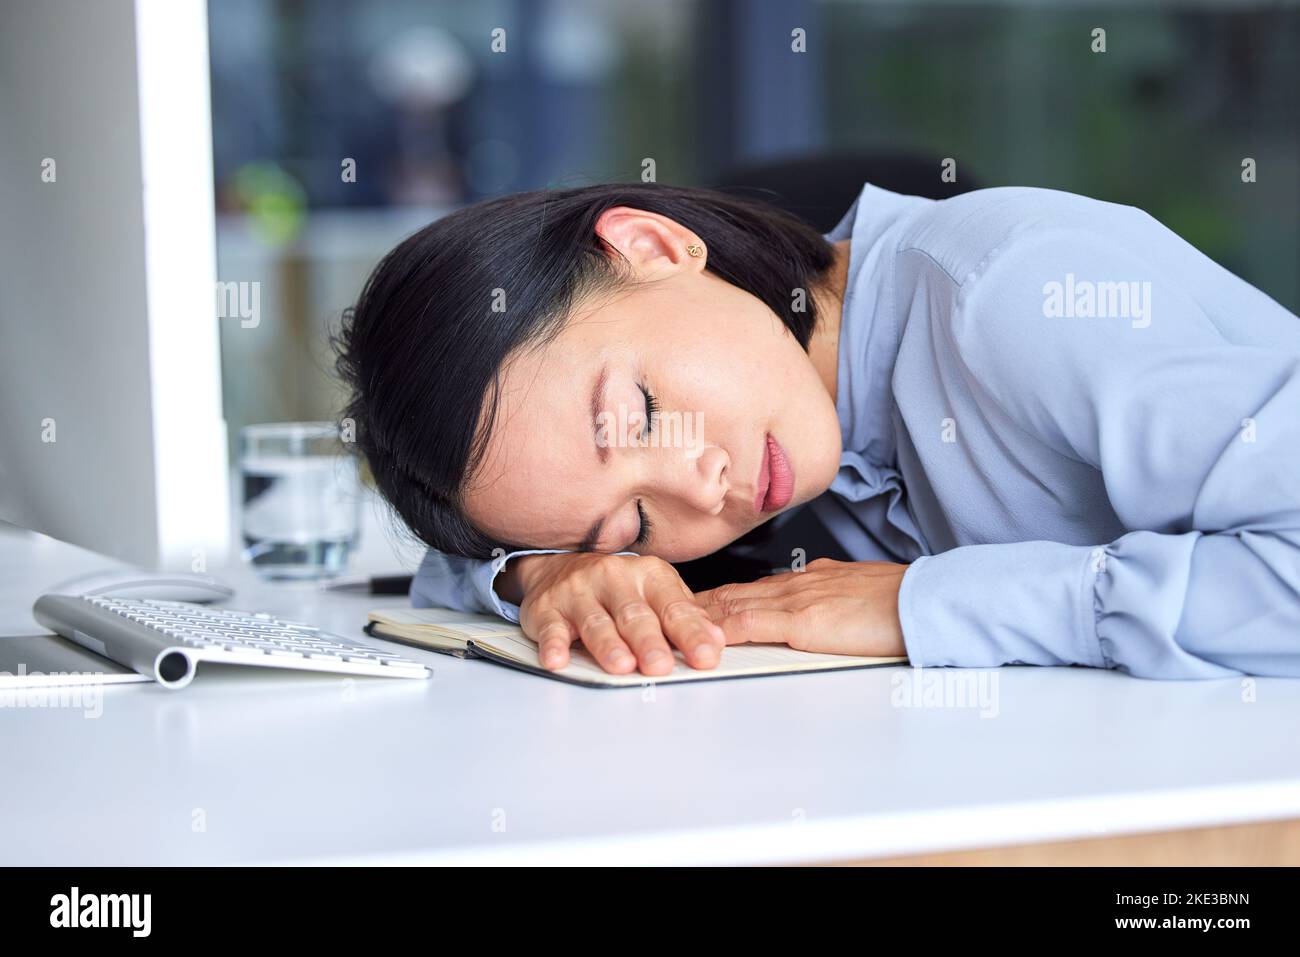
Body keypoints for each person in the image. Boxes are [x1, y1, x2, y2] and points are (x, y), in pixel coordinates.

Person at [332, 181, 1300, 680]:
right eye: (631, 526)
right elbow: (443, 568)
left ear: (655, 247)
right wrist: (546, 574)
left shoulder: (1004, 299)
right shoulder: (799, 430)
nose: (698, 490)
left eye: (639, 416)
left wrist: (919, 607)